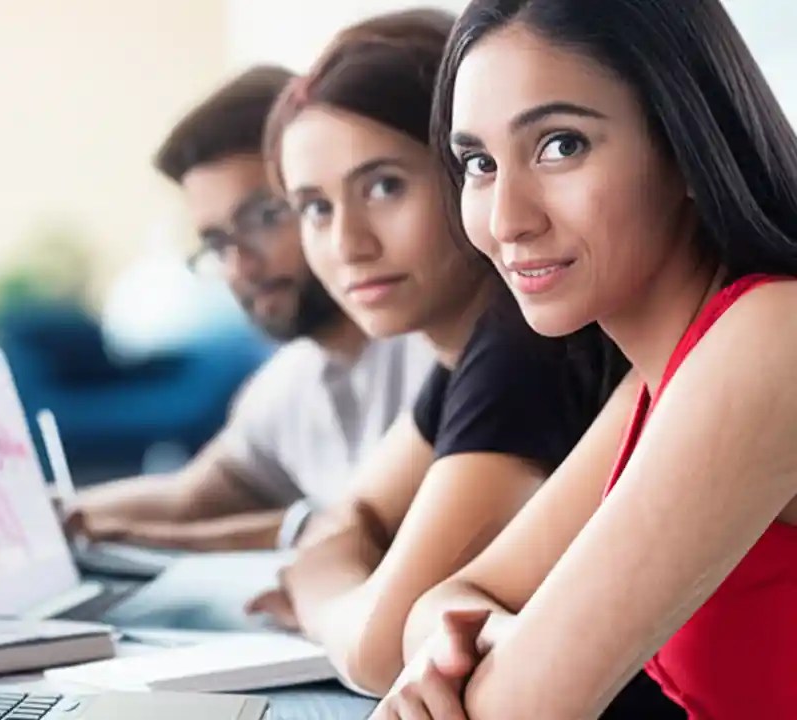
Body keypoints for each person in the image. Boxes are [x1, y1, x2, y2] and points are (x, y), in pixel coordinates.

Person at [373, 1, 797, 718]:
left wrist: (503, 657)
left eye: (560, 145)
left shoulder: (774, 336)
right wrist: (493, 639)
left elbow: (517, 713)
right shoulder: (656, 383)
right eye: (478, 162)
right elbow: (442, 604)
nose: (508, 219)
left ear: (689, 147)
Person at [243, 12, 674, 713]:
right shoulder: (472, 352)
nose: (348, 243)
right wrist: (339, 561)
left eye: (383, 186)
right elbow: (363, 525)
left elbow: (384, 640)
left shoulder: (525, 346)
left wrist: (318, 587)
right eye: (315, 209)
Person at [66, 66, 433, 552]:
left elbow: (364, 535)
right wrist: (56, 511)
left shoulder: (436, 346)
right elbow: (190, 497)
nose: (241, 264)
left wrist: (144, 536)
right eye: (217, 242)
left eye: (263, 218)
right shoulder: (292, 381)